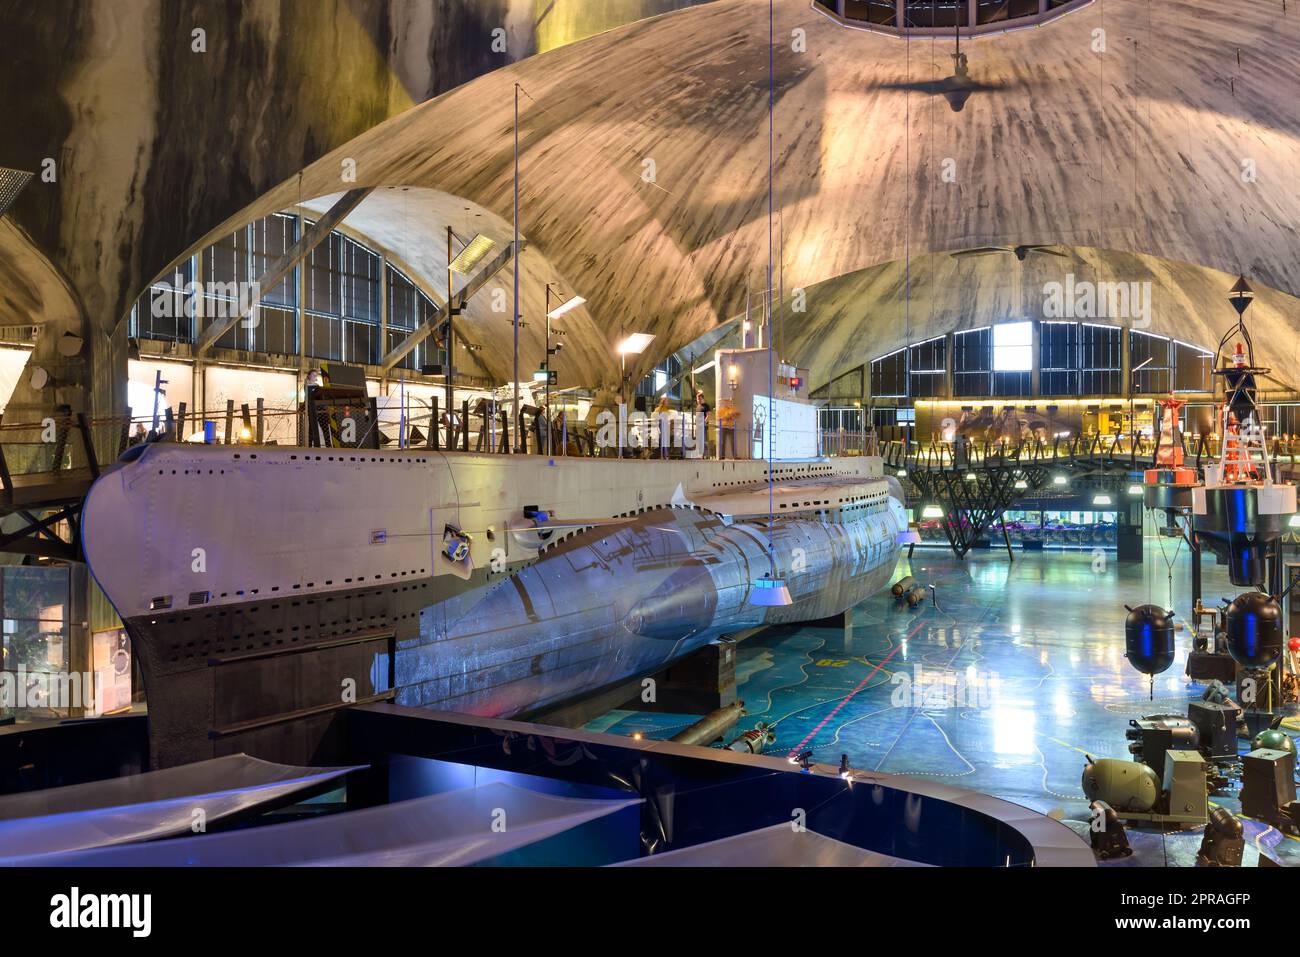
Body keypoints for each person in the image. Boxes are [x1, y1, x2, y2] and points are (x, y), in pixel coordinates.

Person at [694, 389, 711, 455]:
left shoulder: (706, 406)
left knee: (704, 440)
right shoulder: (698, 406)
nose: (697, 400)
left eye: (698, 399)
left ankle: (705, 455)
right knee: (698, 440)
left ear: (701, 398)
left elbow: (708, 415)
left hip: (703, 426)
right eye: (697, 399)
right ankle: (699, 454)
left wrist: (704, 422)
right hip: (698, 426)